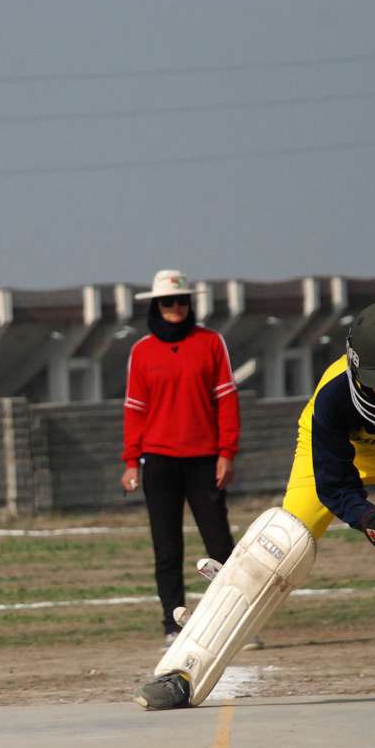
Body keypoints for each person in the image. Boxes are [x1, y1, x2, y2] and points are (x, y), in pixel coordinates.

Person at [134, 299, 375, 710]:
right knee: (276, 546)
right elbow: (336, 487)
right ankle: (182, 671)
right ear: (355, 366)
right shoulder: (334, 394)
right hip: (342, 455)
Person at [120, 269, 245, 646]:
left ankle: (236, 620)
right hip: (158, 461)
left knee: (220, 545)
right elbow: (134, 409)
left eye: (182, 301)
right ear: (155, 306)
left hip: (204, 460)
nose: (175, 307)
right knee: (167, 548)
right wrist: (131, 461)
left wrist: (226, 452)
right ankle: (173, 624)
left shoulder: (211, 342)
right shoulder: (142, 351)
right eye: (167, 302)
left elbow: (227, 400)